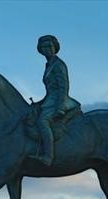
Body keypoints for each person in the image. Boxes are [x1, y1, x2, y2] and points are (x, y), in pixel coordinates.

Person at [31, 34, 79, 166]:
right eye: (44, 47)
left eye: (49, 46)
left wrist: (60, 106)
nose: (47, 49)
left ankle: (48, 156)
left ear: (55, 48)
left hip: (59, 99)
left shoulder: (59, 64)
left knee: (43, 121)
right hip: (50, 98)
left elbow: (64, 86)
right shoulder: (48, 65)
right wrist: (39, 103)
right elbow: (49, 90)